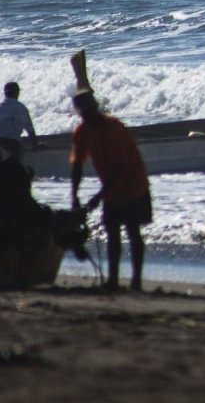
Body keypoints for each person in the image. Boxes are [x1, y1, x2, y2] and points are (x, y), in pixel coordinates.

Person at [70, 90, 152, 292]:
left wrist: (98, 196)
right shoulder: (82, 132)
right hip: (111, 190)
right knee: (112, 234)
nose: (88, 117)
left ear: (95, 108)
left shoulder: (115, 127)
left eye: (90, 112)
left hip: (133, 185)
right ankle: (113, 280)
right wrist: (74, 195)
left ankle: (136, 282)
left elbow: (119, 168)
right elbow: (77, 165)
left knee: (133, 232)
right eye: (84, 114)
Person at [0, 81, 39, 158]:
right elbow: (30, 131)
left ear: (5, 93)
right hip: (14, 145)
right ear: (17, 93)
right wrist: (36, 145)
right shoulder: (22, 108)